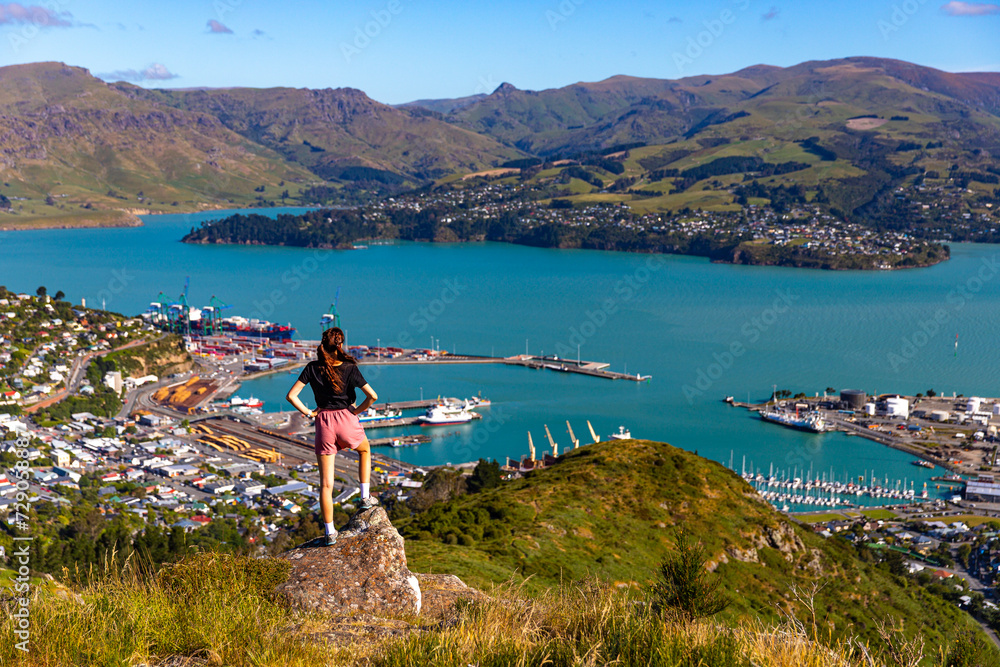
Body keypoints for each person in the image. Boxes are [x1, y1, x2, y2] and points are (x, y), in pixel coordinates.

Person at [286, 327, 378, 546]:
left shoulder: (312, 368)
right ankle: (365, 497)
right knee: (364, 450)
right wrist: (356, 411)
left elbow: (291, 396)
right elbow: (373, 396)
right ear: (340, 344)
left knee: (326, 484)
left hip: (324, 422)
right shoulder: (349, 368)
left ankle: (330, 533)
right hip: (347, 418)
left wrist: (308, 413)